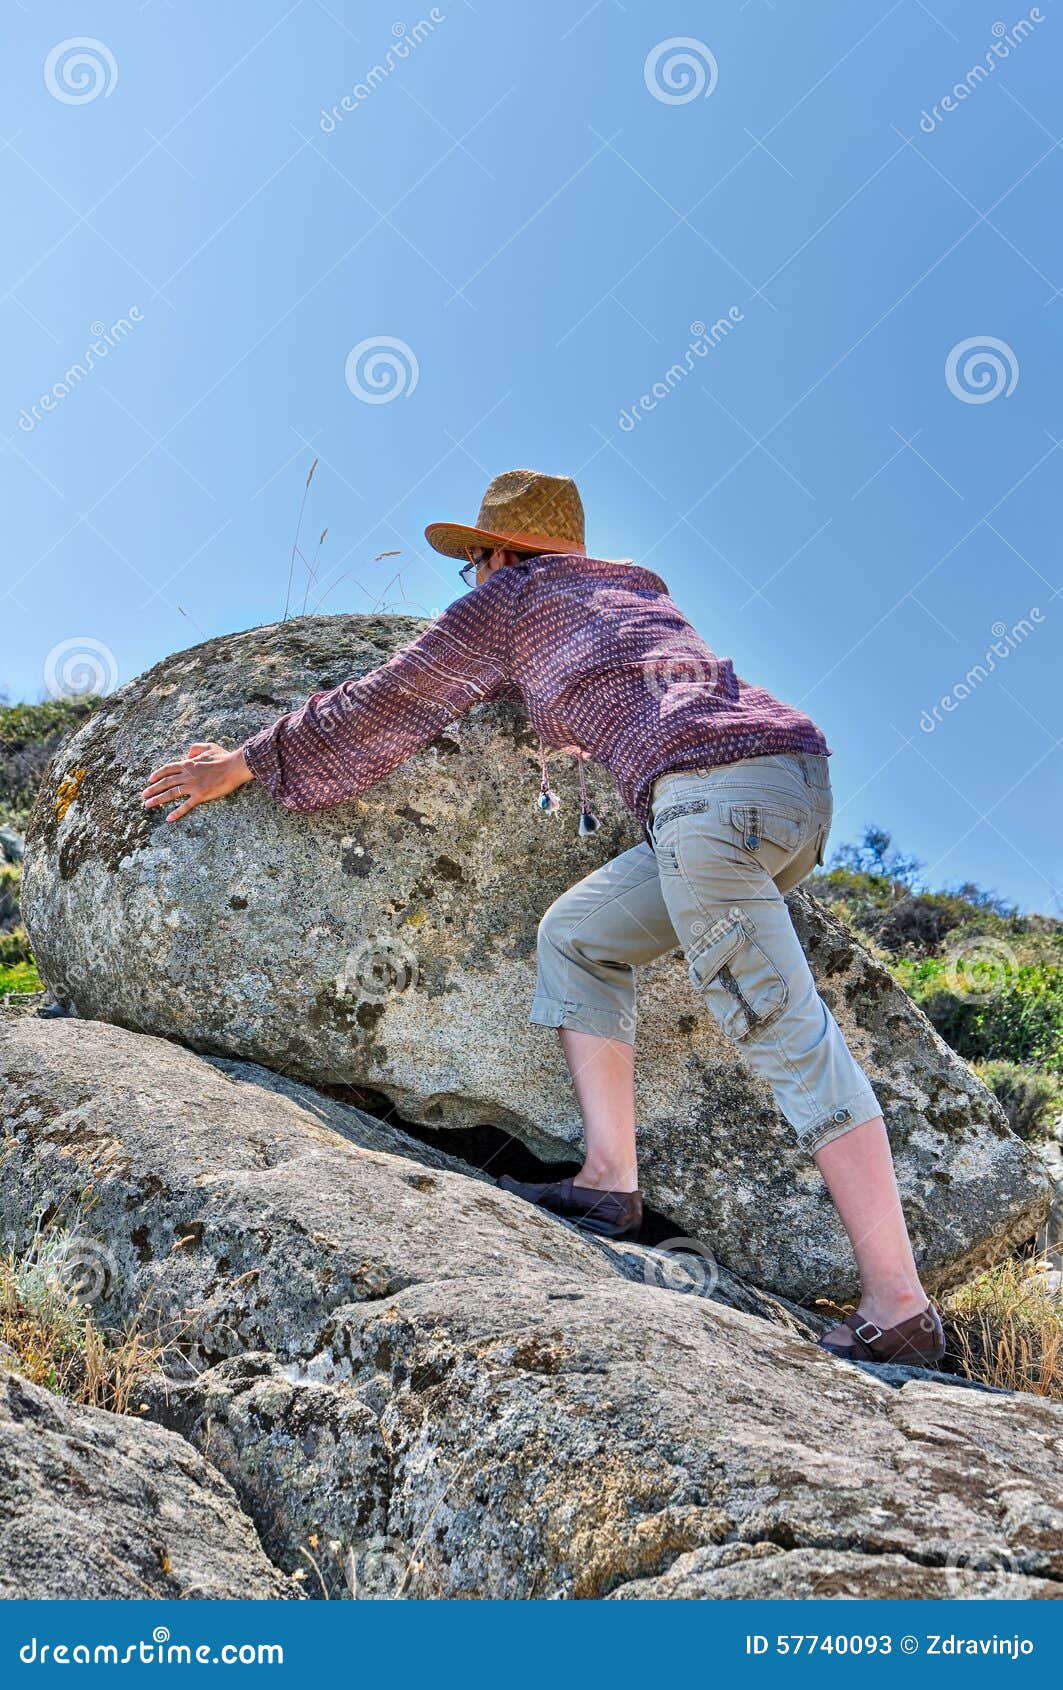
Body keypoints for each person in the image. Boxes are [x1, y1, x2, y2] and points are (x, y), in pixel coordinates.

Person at [141, 468, 945, 1368]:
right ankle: (607, 1180)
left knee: (785, 1036)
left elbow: (392, 697)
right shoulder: (627, 593)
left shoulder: (513, 598)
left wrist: (244, 762)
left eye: (472, 566)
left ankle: (897, 1304)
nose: (470, 582)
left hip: (710, 803)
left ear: (497, 556)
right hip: (790, 791)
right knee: (580, 937)